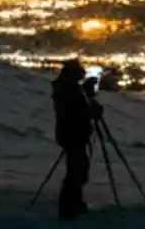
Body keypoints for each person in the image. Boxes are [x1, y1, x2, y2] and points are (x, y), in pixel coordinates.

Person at [52, 59, 100, 220]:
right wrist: (88, 98)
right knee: (76, 173)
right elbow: (79, 112)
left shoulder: (67, 90)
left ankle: (74, 204)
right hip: (74, 136)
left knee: (78, 171)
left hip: (73, 135)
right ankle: (69, 208)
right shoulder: (69, 93)